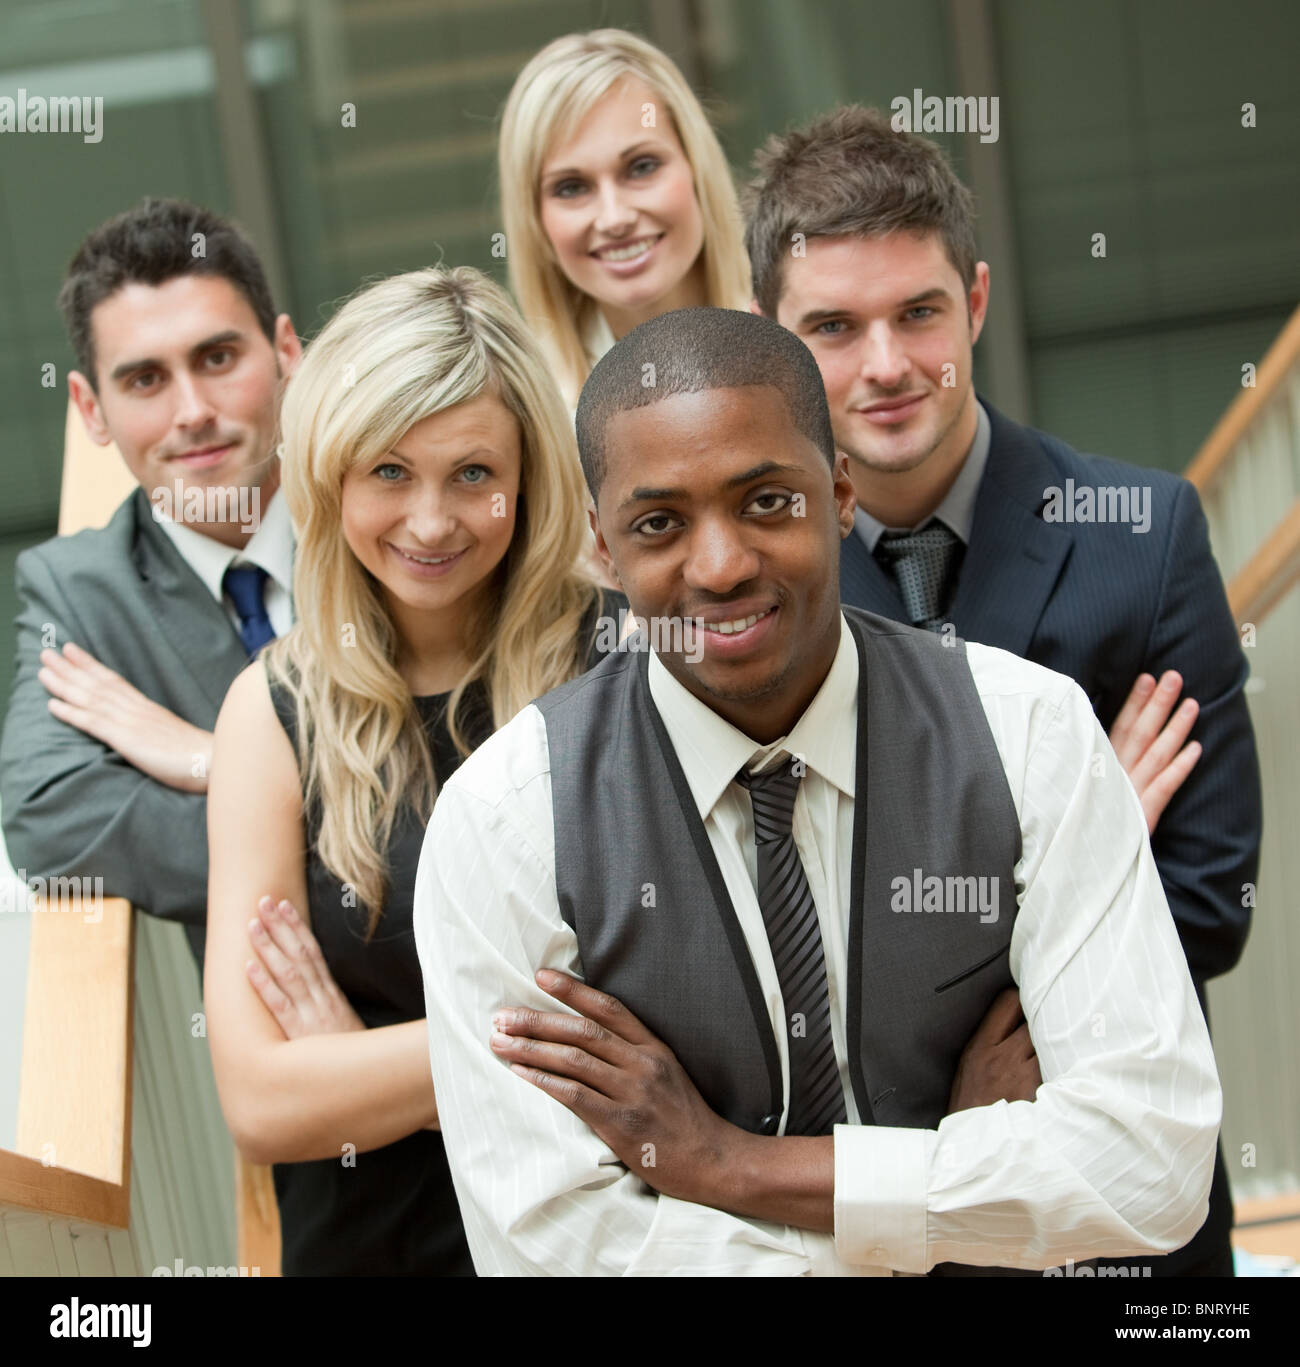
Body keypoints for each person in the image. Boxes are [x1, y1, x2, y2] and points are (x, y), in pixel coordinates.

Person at [413, 306, 1221, 1277]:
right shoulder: (506, 820)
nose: (721, 565)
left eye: (765, 502)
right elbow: (552, 1246)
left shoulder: (1029, 733)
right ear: (600, 546)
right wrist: (932, 1197)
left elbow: (1151, 1163)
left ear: (838, 490)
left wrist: (736, 1166)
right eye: (660, 522)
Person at [743, 105, 1262, 1276]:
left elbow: (1209, 900)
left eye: (916, 312)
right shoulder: (751, 592)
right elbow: (774, 943)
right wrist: (1085, 845)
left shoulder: (1144, 535)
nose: (883, 365)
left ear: (973, 302)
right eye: (831, 325)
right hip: (882, 1229)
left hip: (1127, 1224)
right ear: (769, 338)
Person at [204, 266, 625, 1276]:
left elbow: (693, 1029)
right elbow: (261, 1099)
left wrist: (366, 1056)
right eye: (389, 471)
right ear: (330, 474)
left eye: (472, 473)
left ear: (526, 479)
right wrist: (524, 1048)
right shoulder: (271, 711)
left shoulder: (624, 662)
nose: (431, 521)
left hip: (608, 1241)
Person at [0, 198, 299, 970]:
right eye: (144, 380)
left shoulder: (395, 516)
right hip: (284, 1063)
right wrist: (313, 828)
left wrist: (211, 761)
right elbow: (48, 816)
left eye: (218, 358)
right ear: (91, 409)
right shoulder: (80, 591)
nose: (193, 412)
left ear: (287, 352)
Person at [499, 28, 751, 413]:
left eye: (641, 167)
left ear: (698, 169)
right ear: (534, 221)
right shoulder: (529, 420)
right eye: (570, 188)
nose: (614, 218)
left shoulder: (811, 337)